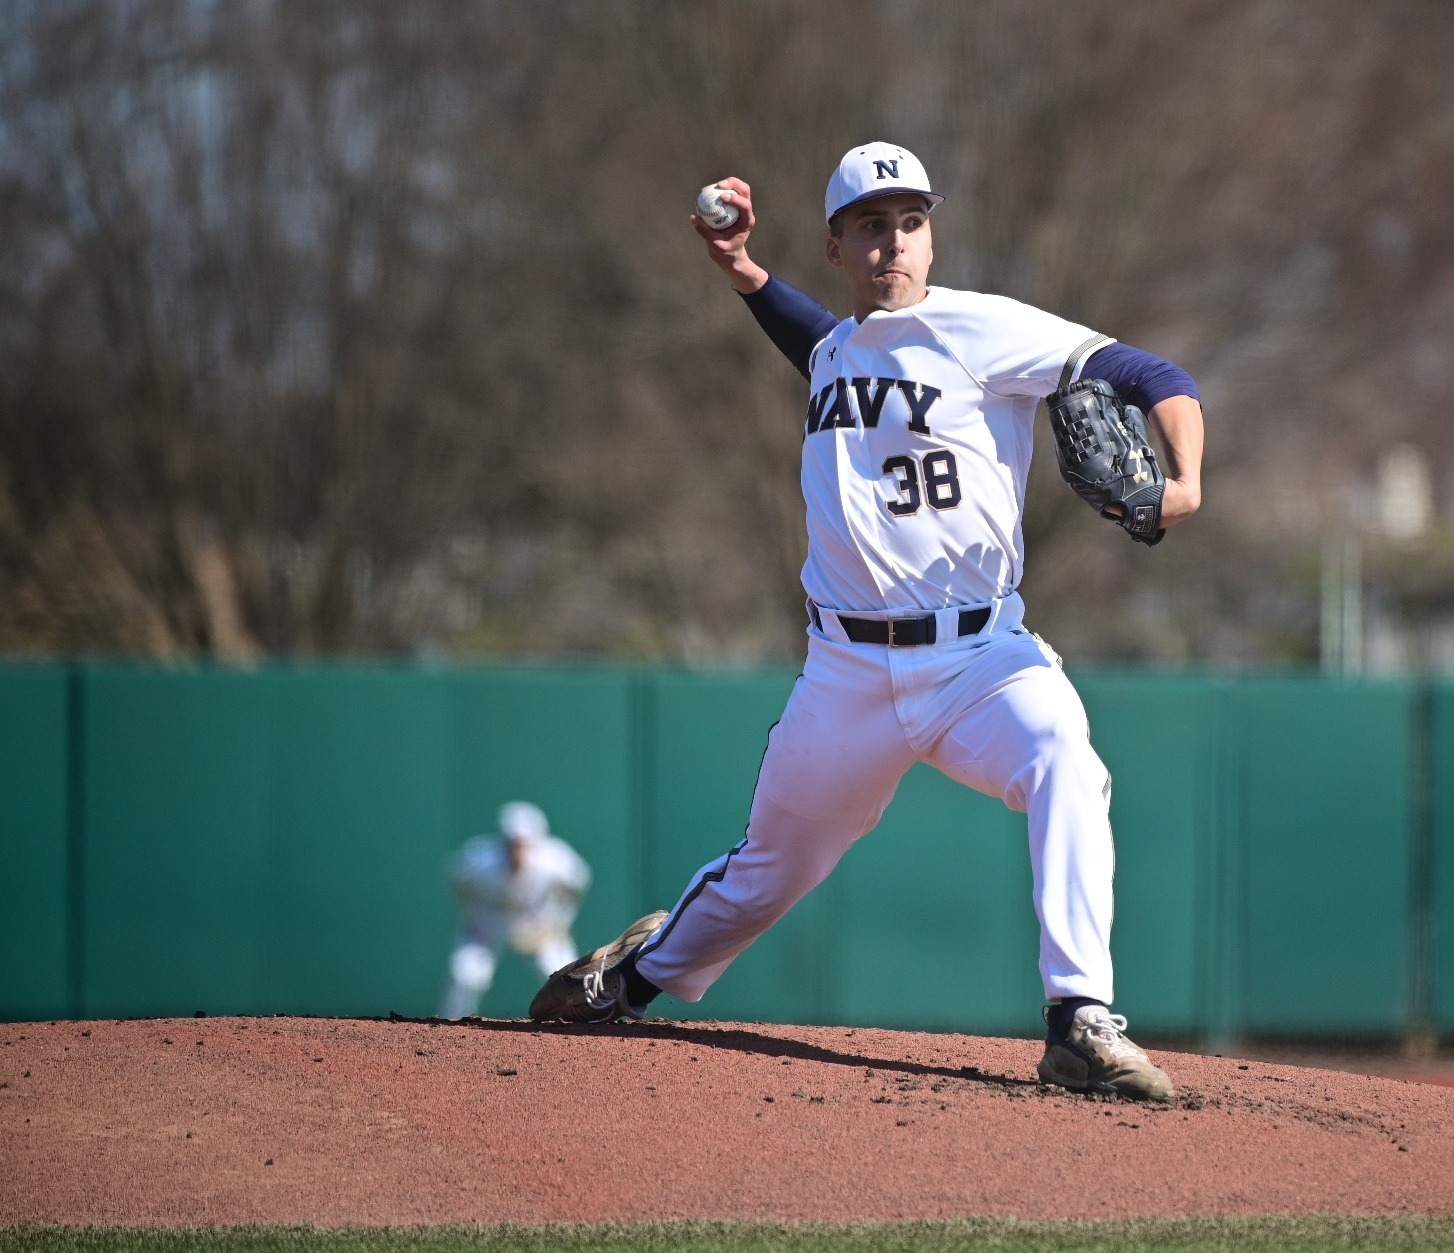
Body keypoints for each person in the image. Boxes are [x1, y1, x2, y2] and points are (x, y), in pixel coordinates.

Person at [532, 142, 1205, 1100]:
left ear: (929, 237)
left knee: (1066, 757)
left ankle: (1079, 1017)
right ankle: (630, 976)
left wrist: (1181, 483)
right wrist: (743, 274)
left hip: (981, 656)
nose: (894, 242)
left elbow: (1155, 372)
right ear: (839, 247)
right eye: (870, 226)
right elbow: (811, 334)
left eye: (910, 222)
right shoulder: (835, 348)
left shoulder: (984, 329)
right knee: (771, 873)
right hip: (844, 672)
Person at [440, 801, 592, 1020]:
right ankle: (450, 1027)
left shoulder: (554, 860)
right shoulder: (482, 861)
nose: (518, 849)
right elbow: (458, 880)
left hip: (537, 923)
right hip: (491, 922)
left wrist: (560, 921)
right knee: (465, 974)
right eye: (512, 843)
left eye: (525, 843)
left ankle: (579, 1023)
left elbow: (578, 883)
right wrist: (472, 916)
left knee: (565, 975)